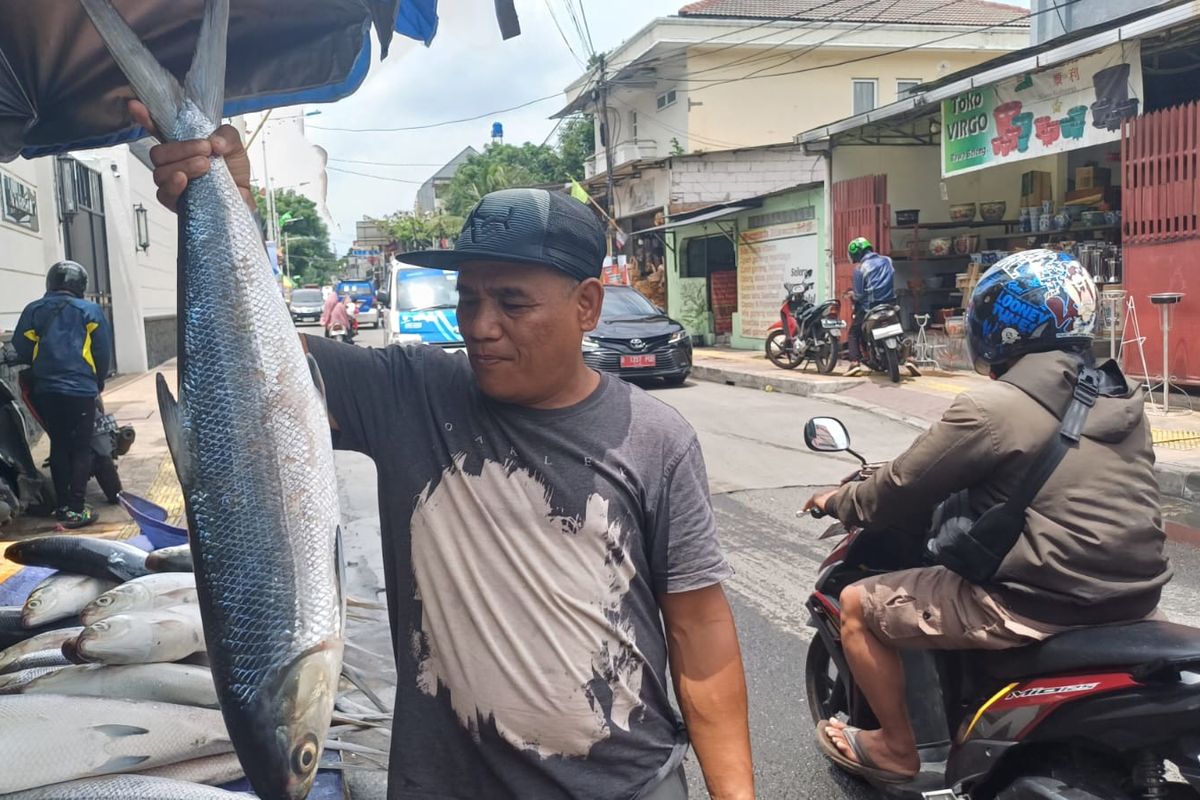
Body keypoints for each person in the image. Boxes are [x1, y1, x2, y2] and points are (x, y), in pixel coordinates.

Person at [139, 102, 755, 800]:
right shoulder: (412, 393)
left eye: (512, 303)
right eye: (469, 299)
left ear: (587, 305)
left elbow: (699, 633)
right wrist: (229, 205)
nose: (480, 327)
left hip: (626, 787)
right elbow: (250, 364)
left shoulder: (656, 438)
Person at [803, 249, 1171, 782]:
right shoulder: (1123, 398)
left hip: (1042, 601)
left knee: (859, 604)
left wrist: (837, 500)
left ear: (999, 325)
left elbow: (900, 487)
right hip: (1136, 596)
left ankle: (896, 748)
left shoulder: (991, 408)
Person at [13, 261, 112, 529]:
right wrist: (98, 380)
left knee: (58, 444)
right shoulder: (90, 311)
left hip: (47, 389)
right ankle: (76, 509)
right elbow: (102, 352)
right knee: (80, 447)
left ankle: (62, 505)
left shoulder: (34, 309)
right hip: (81, 389)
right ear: (81, 285)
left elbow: (21, 346)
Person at [844, 237, 895, 376]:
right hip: (890, 304)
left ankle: (854, 363)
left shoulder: (860, 268)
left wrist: (853, 295)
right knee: (899, 327)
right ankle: (911, 357)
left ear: (856, 253)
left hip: (870, 308)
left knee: (853, 333)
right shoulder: (887, 260)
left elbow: (860, 295)